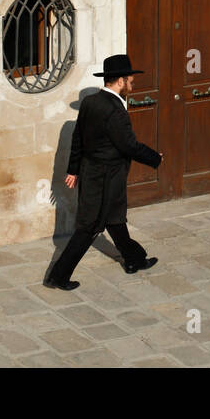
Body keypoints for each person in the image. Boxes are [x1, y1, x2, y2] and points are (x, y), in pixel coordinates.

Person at [44, 54, 163, 290]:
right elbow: (128, 145)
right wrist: (155, 158)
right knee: (88, 227)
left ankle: (134, 260)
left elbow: (77, 138)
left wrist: (73, 169)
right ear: (119, 81)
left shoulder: (90, 102)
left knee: (115, 220)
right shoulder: (116, 110)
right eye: (130, 80)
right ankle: (58, 276)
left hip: (93, 173)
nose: (132, 85)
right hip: (106, 178)